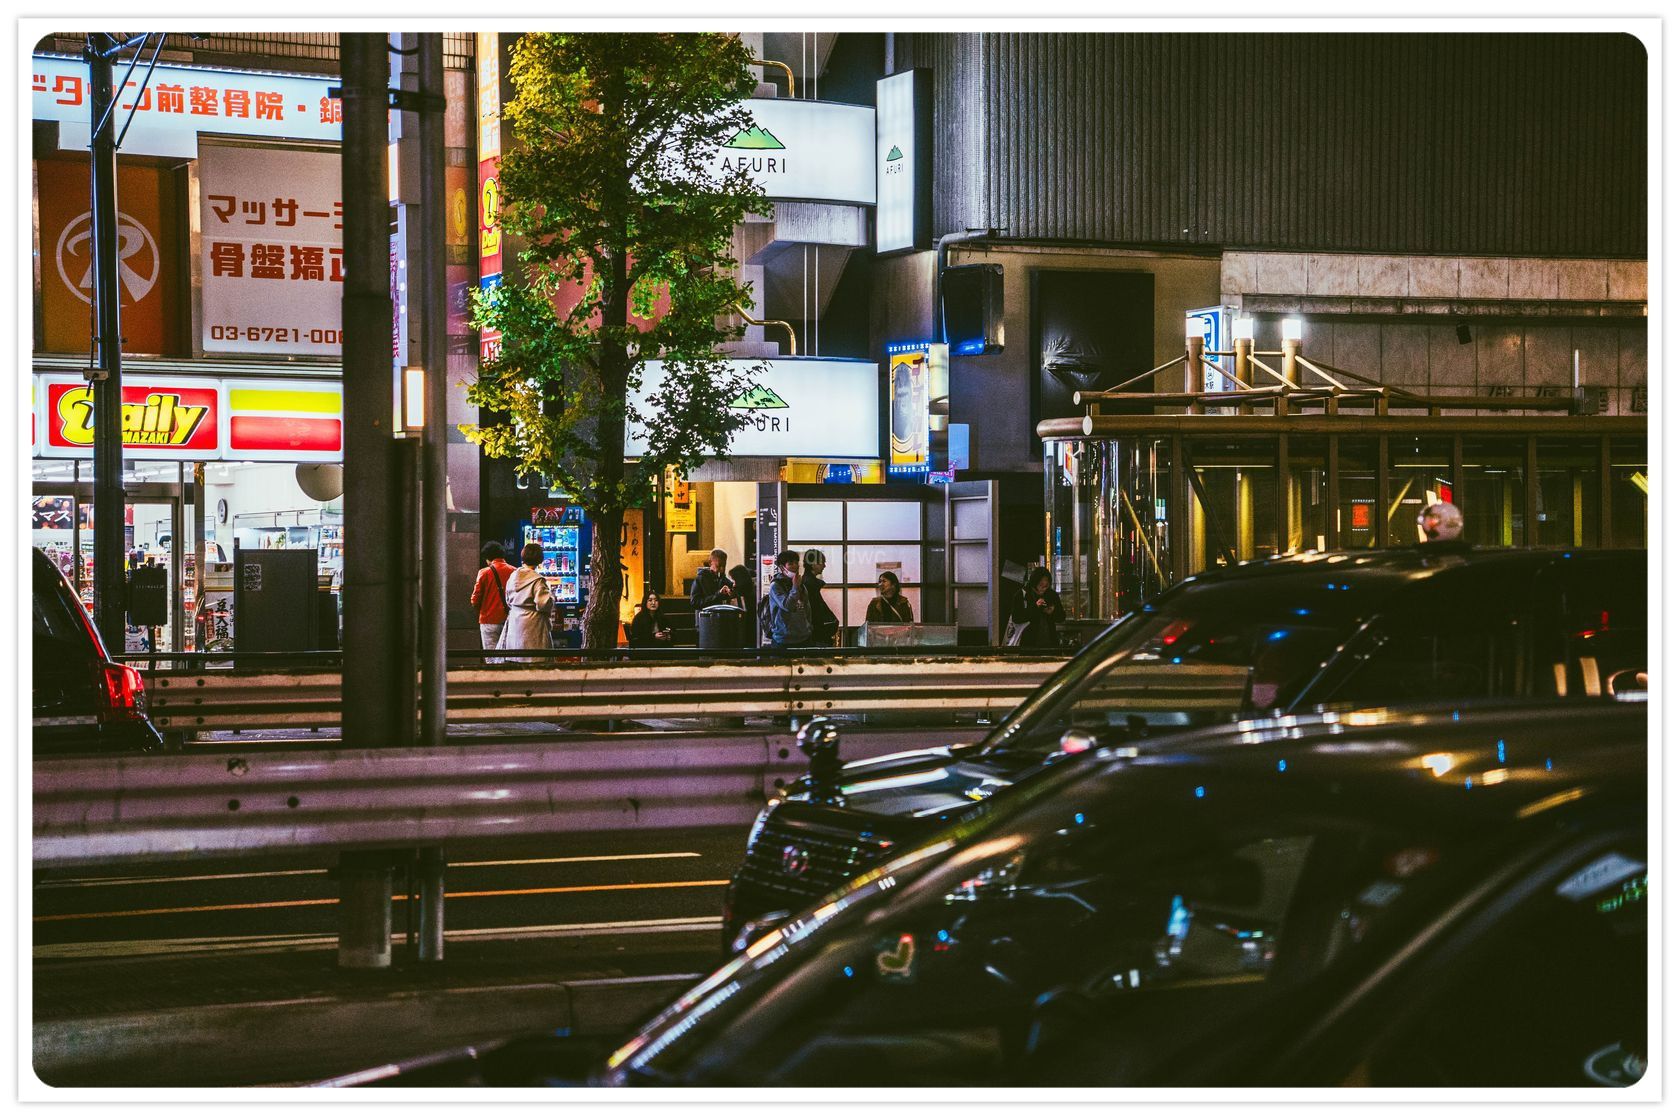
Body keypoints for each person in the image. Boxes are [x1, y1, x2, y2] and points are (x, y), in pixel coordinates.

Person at [499, 542, 553, 659]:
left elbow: (508, 599)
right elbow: (543, 604)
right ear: (540, 560)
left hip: (515, 621)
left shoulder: (513, 576)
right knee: (534, 660)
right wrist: (552, 597)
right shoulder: (538, 580)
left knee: (517, 658)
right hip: (533, 623)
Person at [469, 541, 515, 653]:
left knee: (491, 657)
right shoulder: (515, 571)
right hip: (510, 620)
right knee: (509, 656)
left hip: (489, 620)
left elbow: (475, 600)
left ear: (487, 558)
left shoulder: (484, 573)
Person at [765, 549, 812, 651]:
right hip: (783, 640)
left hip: (803, 638)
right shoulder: (776, 585)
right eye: (790, 564)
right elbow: (788, 606)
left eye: (796, 563)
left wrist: (808, 627)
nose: (795, 566)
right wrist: (795, 588)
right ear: (782, 567)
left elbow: (807, 608)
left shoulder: (801, 585)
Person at [1008, 566, 1065, 649]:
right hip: (1028, 644)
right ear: (1034, 583)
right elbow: (1017, 618)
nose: (1044, 588)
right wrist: (1035, 607)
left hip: (1050, 643)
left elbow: (1061, 617)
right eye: (1041, 585)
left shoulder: (1052, 595)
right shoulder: (1022, 595)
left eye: (1047, 585)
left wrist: (1053, 611)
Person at [801, 548, 840, 647]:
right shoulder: (812, 585)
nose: (824, 566)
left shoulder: (806, 582)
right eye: (822, 563)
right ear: (814, 564)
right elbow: (817, 611)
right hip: (817, 633)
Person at [728, 563, 758, 649]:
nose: (732, 583)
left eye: (733, 580)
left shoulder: (740, 594)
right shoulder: (752, 591)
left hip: (744, 630)